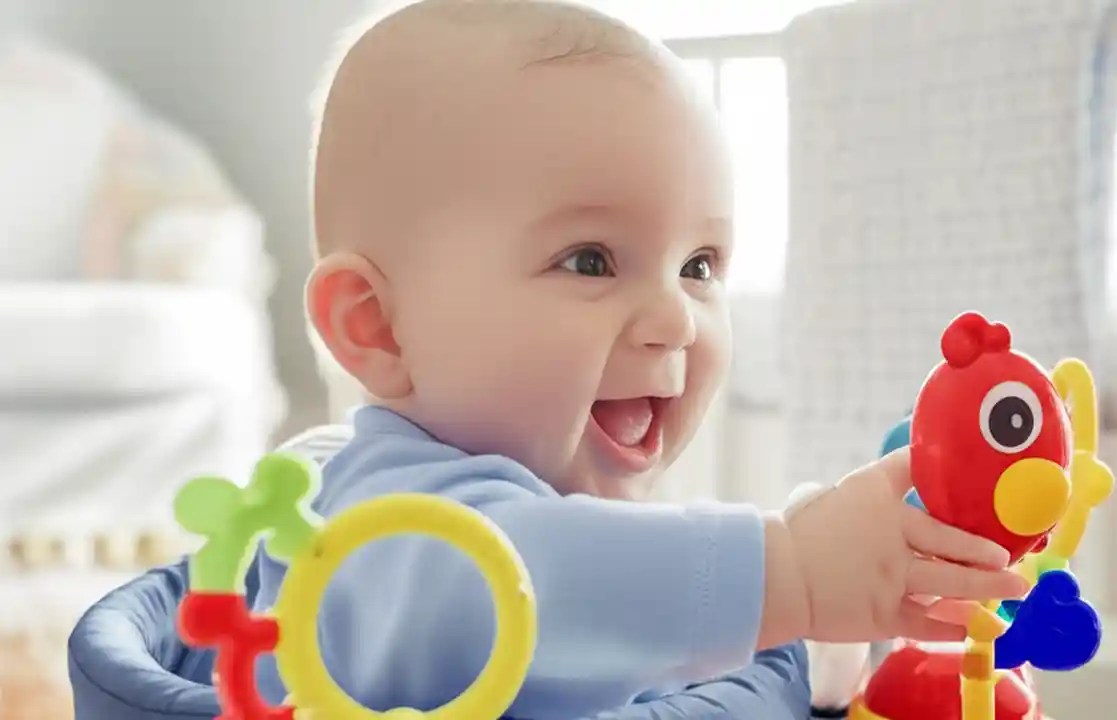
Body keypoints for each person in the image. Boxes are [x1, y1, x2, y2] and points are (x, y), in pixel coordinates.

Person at [256, 1, 1029, 716]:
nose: (675, 320)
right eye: (590, 260)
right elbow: (512, 593)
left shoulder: (589, 524)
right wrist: (791, 572)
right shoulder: (364, 525)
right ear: (379, 328)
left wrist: (852, 616)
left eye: (699, 265)